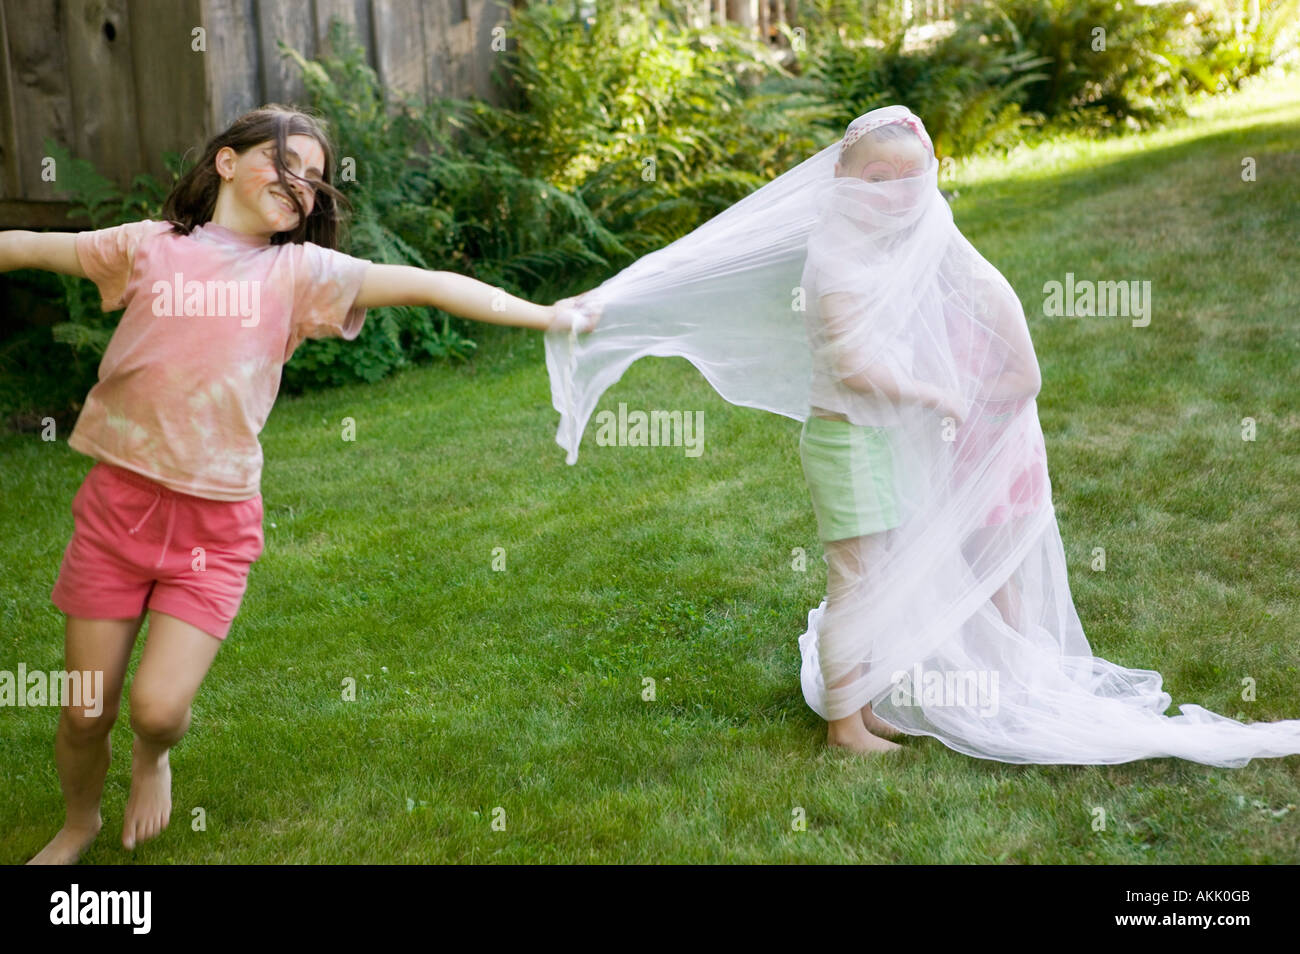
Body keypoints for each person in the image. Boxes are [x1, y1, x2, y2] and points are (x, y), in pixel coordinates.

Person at [544, 104, 1300, 767]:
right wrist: (932, 391)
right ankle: (846, 726)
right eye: (877, 180)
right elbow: (854, 364)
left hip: (871, 444)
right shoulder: (836, 258)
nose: (897, 196)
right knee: (855, 585)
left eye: (910, 182)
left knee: (874, 581)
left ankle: (860, 703)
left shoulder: (879, 249)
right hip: (848, 443)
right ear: (843, 180)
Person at [6, 104, 597, 864]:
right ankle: (79, 822)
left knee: (156, 710)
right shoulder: (145, 248)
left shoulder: (299, 273)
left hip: (212, 530)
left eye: (315, 180)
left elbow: (431, 285)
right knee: (86, 712)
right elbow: (27, 244)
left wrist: (546, 315)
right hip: (116, 513)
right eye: (287, 165)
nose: (302, 187)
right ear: (227, 161)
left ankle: (154, 759)